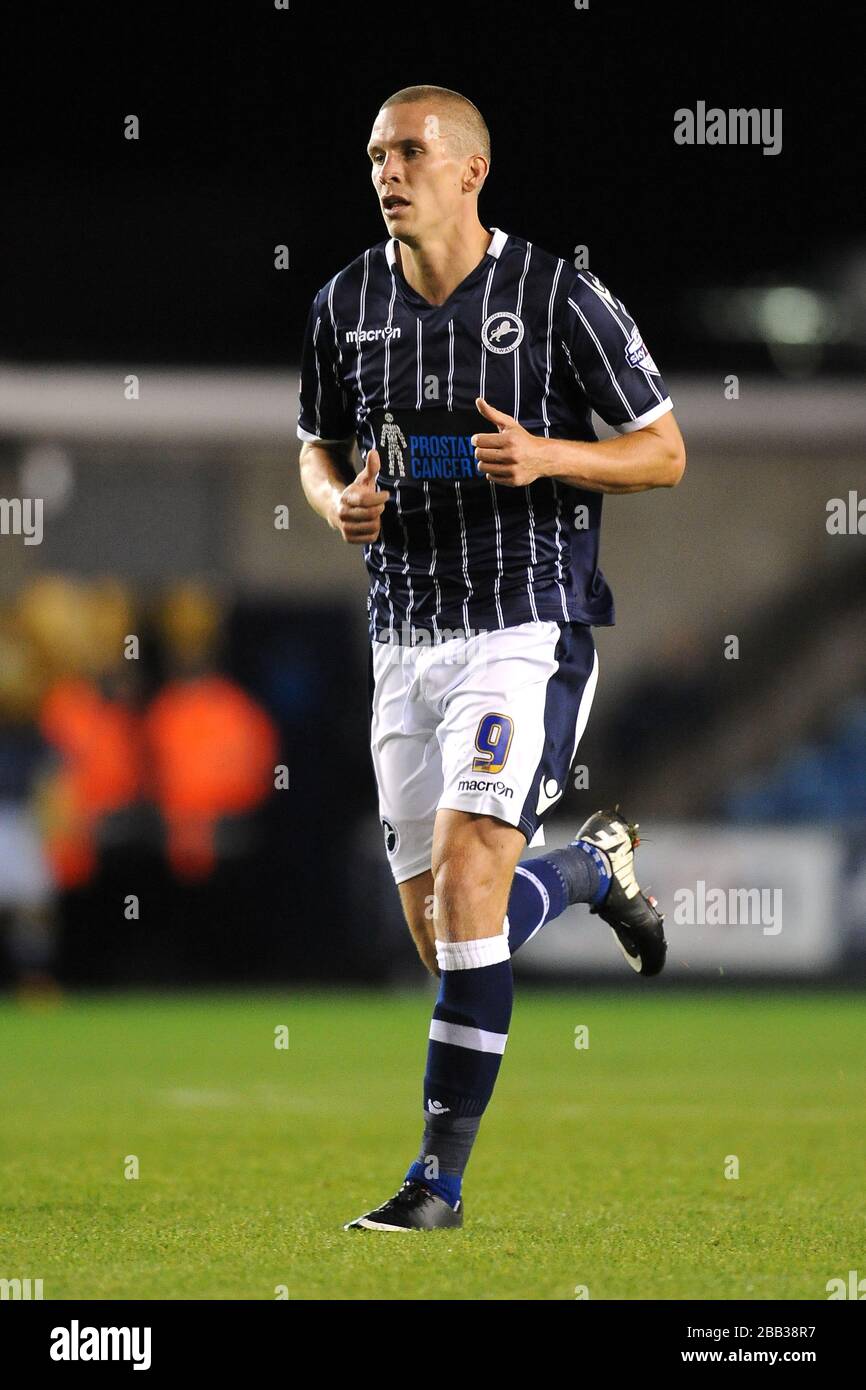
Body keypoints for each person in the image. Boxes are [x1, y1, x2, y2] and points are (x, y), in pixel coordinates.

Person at [297, 85, 686, 1231]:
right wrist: (335, 504)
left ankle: (436, 1184)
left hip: (525, 626)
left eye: (410, 151)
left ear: (471, 171)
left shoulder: (558, 297)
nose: (387, 171)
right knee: (447, 938)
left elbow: (661, 452)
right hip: (401, 638)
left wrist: (546, 454)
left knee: (468, 887)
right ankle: (590, 873)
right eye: (375, 153)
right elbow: (317, 448)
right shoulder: (341, 303)